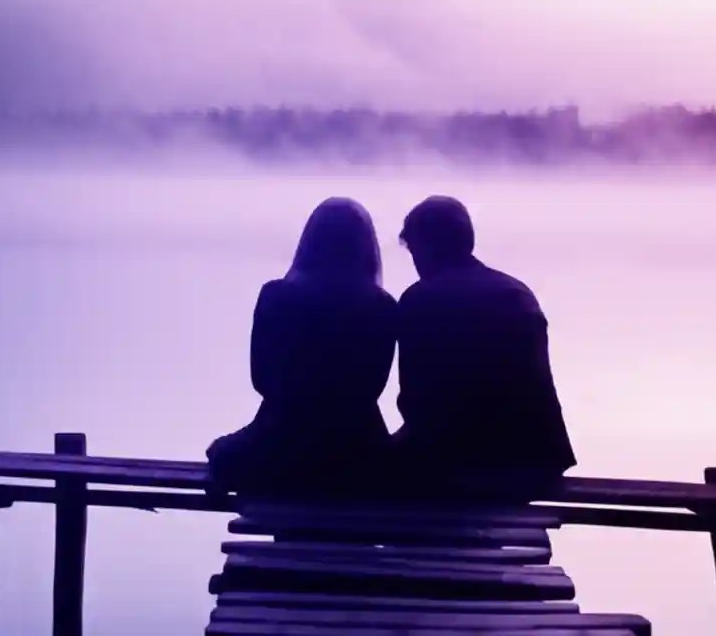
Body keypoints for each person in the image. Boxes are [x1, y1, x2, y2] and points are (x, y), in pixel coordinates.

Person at [207, 198, 397, 496]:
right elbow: (374, 386)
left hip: (279, 440)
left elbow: (261, 380)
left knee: (220, 453)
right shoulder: (382, 306)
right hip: (359, 448)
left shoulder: (277, 295)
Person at [393, 196, 575, 499]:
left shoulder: (421, 300)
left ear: (426, 247)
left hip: (463, 462)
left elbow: (416, 401)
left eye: (414, 250)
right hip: (535, 459)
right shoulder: (516, 293)